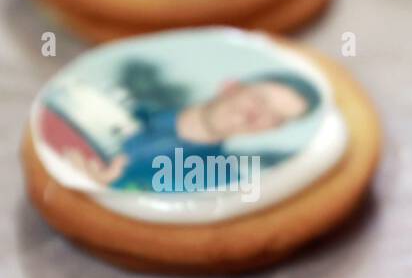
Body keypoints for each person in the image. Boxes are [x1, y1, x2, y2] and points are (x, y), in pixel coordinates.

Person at [55, 65, 322, 191]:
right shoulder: (126, 102)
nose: (255, 115)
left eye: (275, 117)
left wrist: (103, 191)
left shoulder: (219, 182)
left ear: (272, 130)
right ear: (231, 87)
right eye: (260, 99)